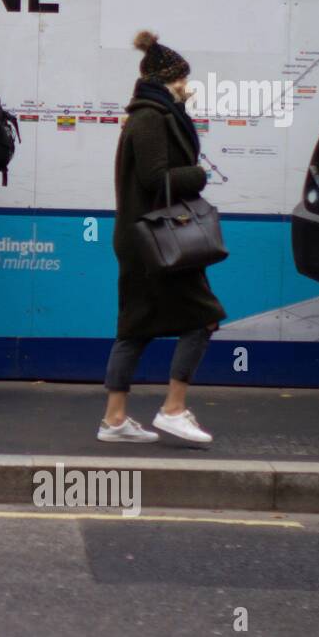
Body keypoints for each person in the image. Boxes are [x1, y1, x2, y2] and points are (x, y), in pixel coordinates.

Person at [98, 31, 225, 445]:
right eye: (182, 80)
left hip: (141, 239)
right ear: (167, 81)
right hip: (158, 241)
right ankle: (173, 409)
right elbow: (156, 179)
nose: (187, 87)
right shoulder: (152, 118)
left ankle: (114, 420)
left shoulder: (148, 113)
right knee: (204, 317)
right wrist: (200, 175)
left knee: (135, 328)